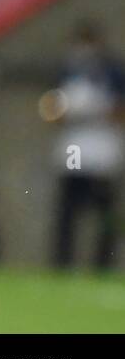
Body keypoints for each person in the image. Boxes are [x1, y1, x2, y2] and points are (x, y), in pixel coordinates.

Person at [46, 20, 125, 270]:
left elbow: (119, 110)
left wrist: (97, 108)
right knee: (68, 212)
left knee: (104, 212)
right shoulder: (66, 71)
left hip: (102, 152)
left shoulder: (112, 72)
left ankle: (104, 263)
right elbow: (50, 112)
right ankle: (62, 263)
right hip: (73, 150)